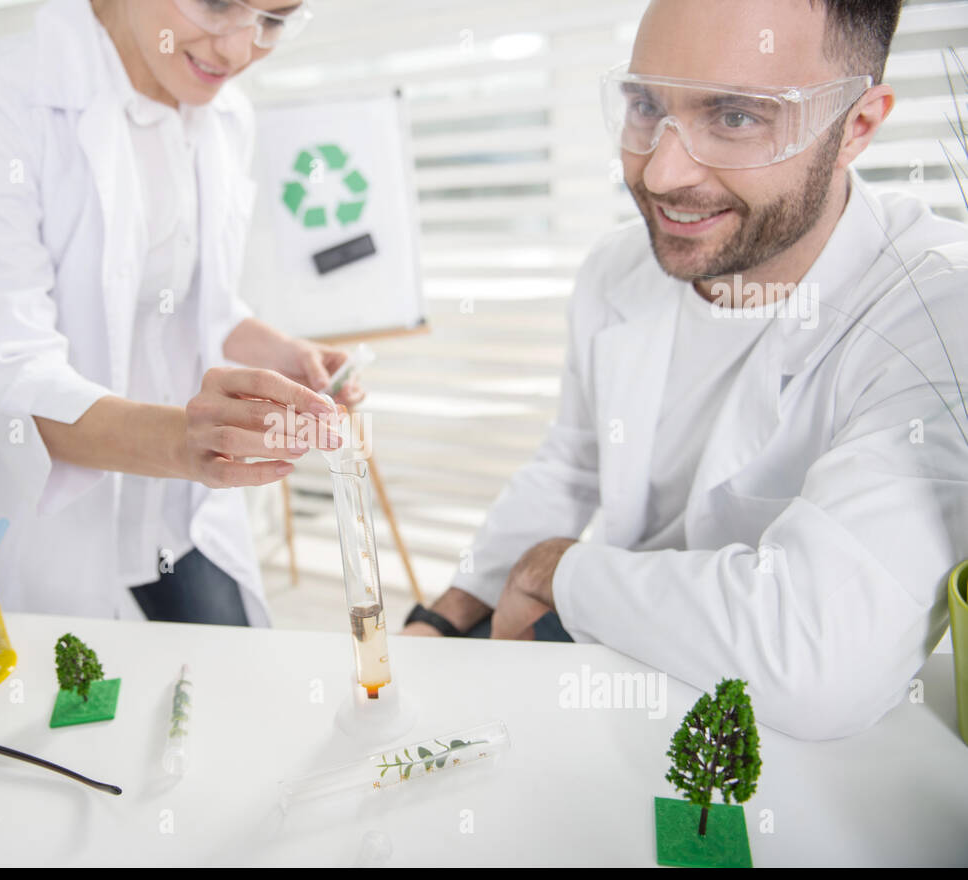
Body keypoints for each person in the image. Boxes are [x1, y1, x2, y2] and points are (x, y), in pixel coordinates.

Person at [403, 0, 968, 740]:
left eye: (735, 117)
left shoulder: (937, 309)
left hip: (782, 741)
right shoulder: (616, 267)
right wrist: (441, 618)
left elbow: (816, 660)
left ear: (857, 125)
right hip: (619, 660)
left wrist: (558, 572)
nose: (662, 173)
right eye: (646, 105)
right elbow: (574, 466)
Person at [0, 0, 358, 628]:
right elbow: (9, 365)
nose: (238, 51)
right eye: (217, 3)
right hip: (44, 499)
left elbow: (192, 303)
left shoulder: (225, 111)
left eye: (275, 19)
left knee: (233, 674)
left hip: (177, 502)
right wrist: (183, 442)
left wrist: (279, 352)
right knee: (45, 713)